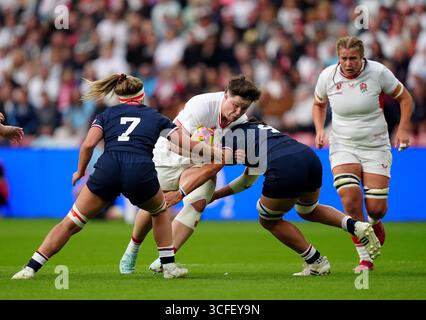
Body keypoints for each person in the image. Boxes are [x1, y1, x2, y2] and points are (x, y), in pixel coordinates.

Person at [11, 73, 227, 280]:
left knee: (71, 221)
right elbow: (184, 144)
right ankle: (168, 266)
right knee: (160, 210)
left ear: (119, 96)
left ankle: (30, 268)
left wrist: (80, 171)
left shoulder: (105, 115)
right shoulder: (154, 116)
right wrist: (217, 153)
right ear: (142, 95)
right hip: (139, 170)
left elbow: (87, 144)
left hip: (108, 169)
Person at [161, 118, 382, 276]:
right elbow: (247, 178)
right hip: (308, 157)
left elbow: (237, 179)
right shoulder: (255, 125)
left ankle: (316, 262)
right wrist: (217, 195)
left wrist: (193, 193)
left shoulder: (226, 140)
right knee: (308, 209)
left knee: (268, 219)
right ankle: (355, 226)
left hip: (284, 168)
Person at [119, 75, 261, 274]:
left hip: (199, 163)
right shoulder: (201, 104)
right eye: (235, 105)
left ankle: (164, 260)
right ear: (225, 95)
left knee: (198, 202)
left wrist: (220, 158)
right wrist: (212, 152)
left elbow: (218, 164)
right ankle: (132, 249)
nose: (237, 113)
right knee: (155, 205)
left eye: (244, 108)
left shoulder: (240, 123)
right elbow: (173, 143)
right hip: (169, 156)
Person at [312, 36, 413, 272]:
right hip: (342, 145)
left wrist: (403, 128)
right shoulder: (328, 75)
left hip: (375, 145)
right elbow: (318, 104)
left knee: (376, 208)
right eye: (344, 58)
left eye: (353, 58)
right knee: (349, 198)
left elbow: (405, 98)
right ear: (338, 58)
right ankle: (365, 258)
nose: (348, 63)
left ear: (362, 57)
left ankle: (375, 223)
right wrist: (319, 130)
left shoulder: (378, 73)